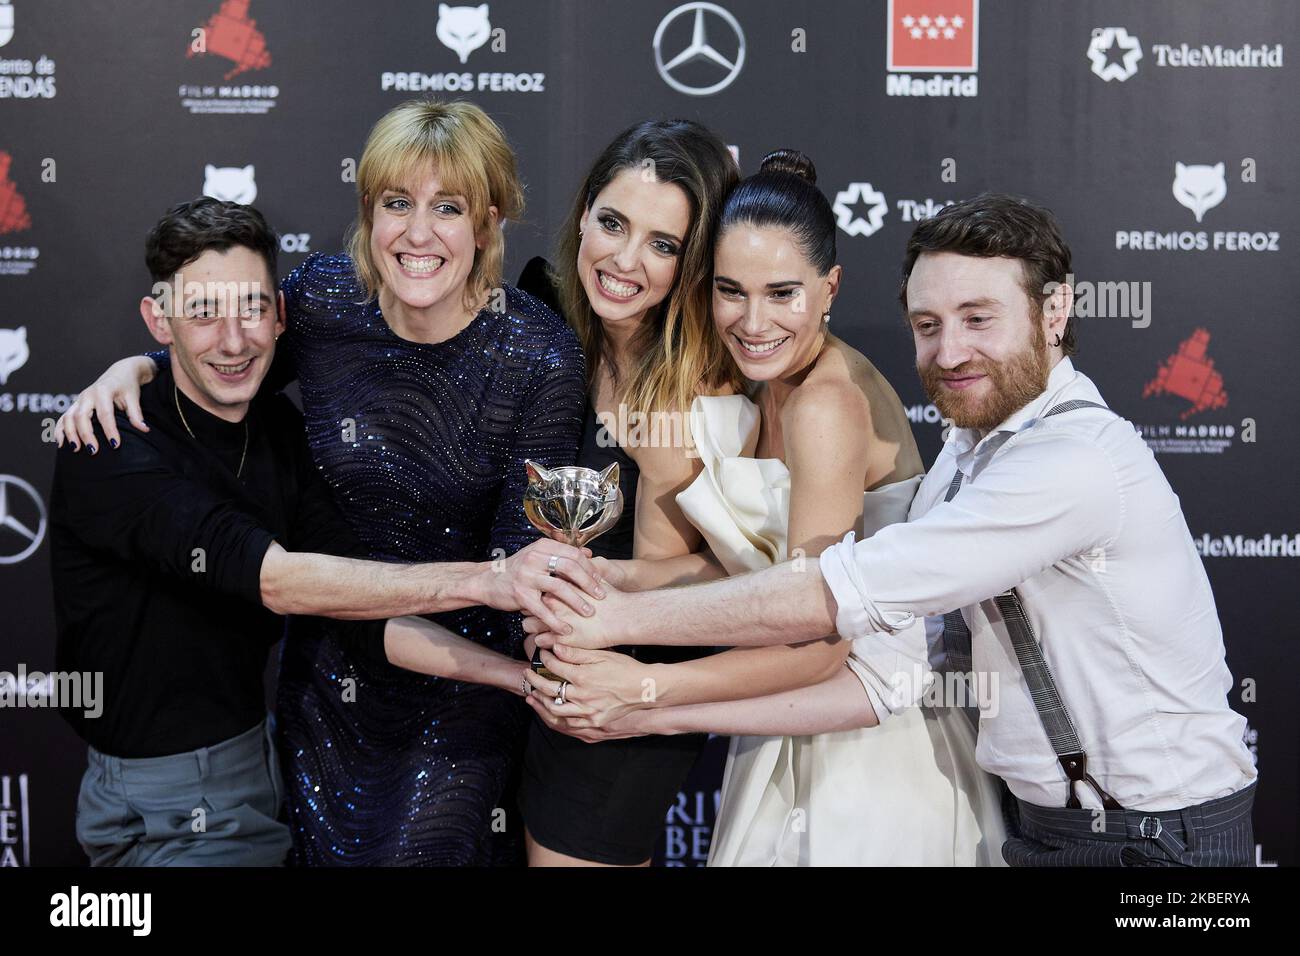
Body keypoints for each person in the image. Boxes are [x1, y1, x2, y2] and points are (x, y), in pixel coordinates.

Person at [527, 193, 1259, 867]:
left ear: (1056, 310)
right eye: (927, 325)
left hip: (1162, 843)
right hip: (1046, 832)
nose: (948, 353)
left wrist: (615, 625)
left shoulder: (1072, 463)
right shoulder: (964, 463)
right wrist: (647, 708)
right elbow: (887, 677)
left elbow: (830, 597)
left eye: (979, 319)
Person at [53, 100, 589, 865]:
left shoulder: (539, 355)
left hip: (461, 680)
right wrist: (138, 369)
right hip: (329, 675)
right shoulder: (324, 302)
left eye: (449, 208)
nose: (416, 232)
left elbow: (521, 570)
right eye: (396, 204)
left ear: (489, 222)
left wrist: (521, 674)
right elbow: (220, 356)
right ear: (368, 212)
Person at [526, 153, 1007, 866]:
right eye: (731, 291)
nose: (754, 321)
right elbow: (745, 575)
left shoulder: (825, 406)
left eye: (782, 293)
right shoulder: (763, 382)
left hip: (866, 754)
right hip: (782, 721)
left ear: (829, 287)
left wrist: (644, 691)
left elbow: (818, 639)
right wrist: (606, 583)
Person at [514, 120, 742, 867]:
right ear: (583, 213)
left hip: (625, 696)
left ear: (694, 263)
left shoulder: (702, 385)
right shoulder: (543, 307)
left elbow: (729, 579)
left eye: (663, 244)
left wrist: (601, 650)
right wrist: (153, 371)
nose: (623, 260)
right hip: (526, 674)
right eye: (612, 222)